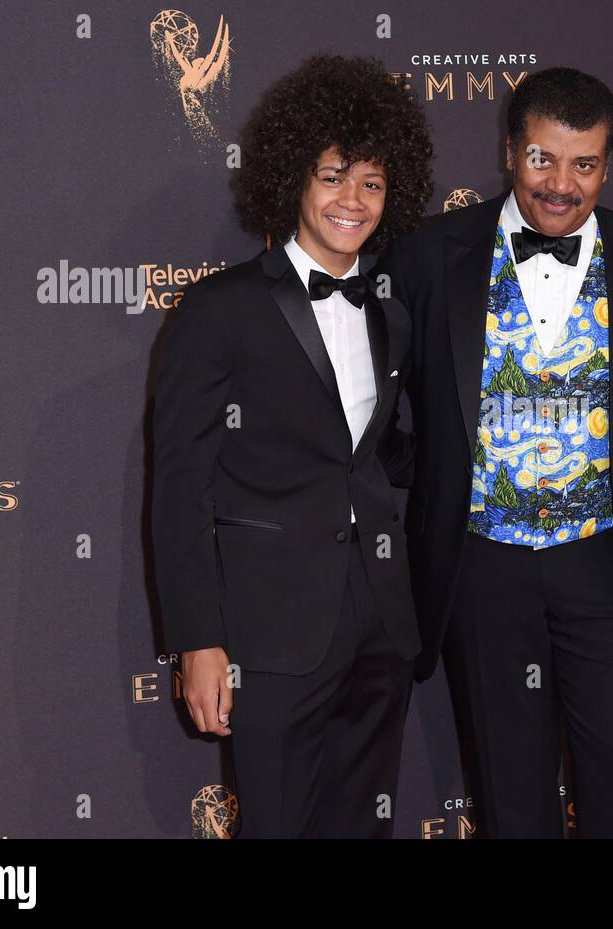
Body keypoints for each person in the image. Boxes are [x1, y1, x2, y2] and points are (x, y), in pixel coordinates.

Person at [377, 67, 613, 837]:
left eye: (583, 164)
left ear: (607, 166)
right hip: (482, 566)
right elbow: (378, 405)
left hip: (608, 565)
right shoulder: (426, 255)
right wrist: (439, 476)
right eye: (542, 159)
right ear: (509, 152)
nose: (561, 185)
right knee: (510, 793)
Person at [151, 55, 433, 838]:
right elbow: (180, 487)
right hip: (270, 633)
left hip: (380, 625)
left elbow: (379, 454)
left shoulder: (390, 312)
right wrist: (197, 641)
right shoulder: (219, 308)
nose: (353, 200)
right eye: (334, 176)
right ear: (294, 178)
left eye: (372, 182)